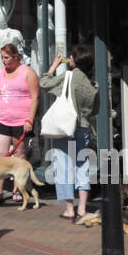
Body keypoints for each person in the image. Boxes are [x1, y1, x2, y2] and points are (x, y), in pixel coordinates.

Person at [39, 45, 98, 220]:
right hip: (84, 127)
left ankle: (69, 209)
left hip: (66, 127)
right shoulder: (93, 83)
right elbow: (96, 110)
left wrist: (53, 67)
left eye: (71, 57)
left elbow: (44, 84)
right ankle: (82, 208)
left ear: (73, 60)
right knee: (82, 166)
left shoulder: (69, 76)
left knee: (63, 166)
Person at [0, 43, 39, 204]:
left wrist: (30, 119)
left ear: (16, 56)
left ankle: (17, 190)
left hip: (21, 122)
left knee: (19, 156)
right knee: (0, 155)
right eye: (2, 57)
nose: (4, 61)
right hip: (2, 120)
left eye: (7, 57)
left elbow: (35, 97)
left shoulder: (28, 72)